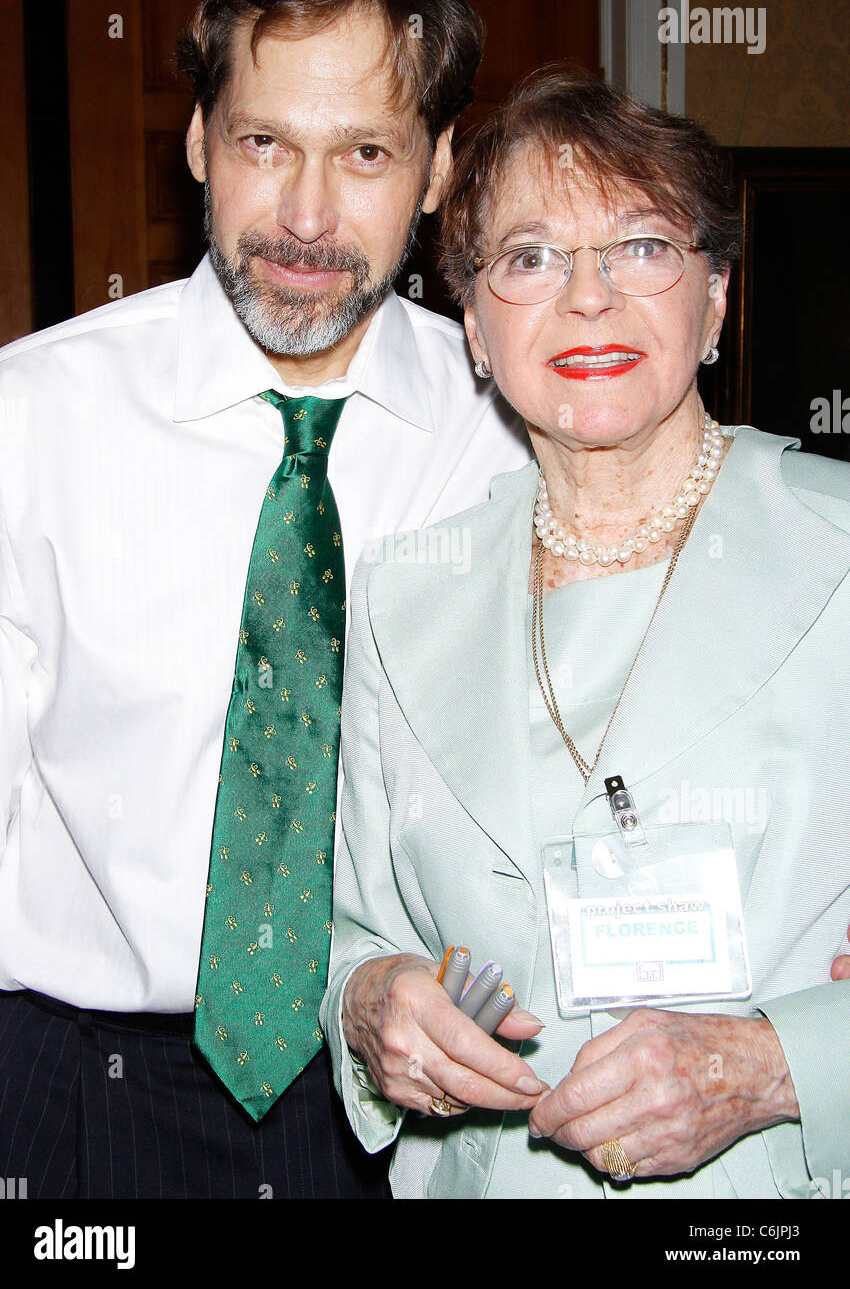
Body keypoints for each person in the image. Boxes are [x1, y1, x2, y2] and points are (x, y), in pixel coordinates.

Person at [0, 0, 530, 1199]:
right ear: (195, 144)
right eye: (263, 141)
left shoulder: (504, 440)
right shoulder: (24, 423)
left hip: (401, 1117)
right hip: (77, 1109)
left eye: (366, 154)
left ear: (440, 170)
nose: (304, 214)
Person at [321, 65, 850, 1199]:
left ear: (711, 299)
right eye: (527, 258)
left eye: (640, 247)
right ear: (470, 324)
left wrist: (780, 1064)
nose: (587, 298)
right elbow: (361, 933)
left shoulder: (838, 551)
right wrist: (374, 1008)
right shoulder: (399, 595)